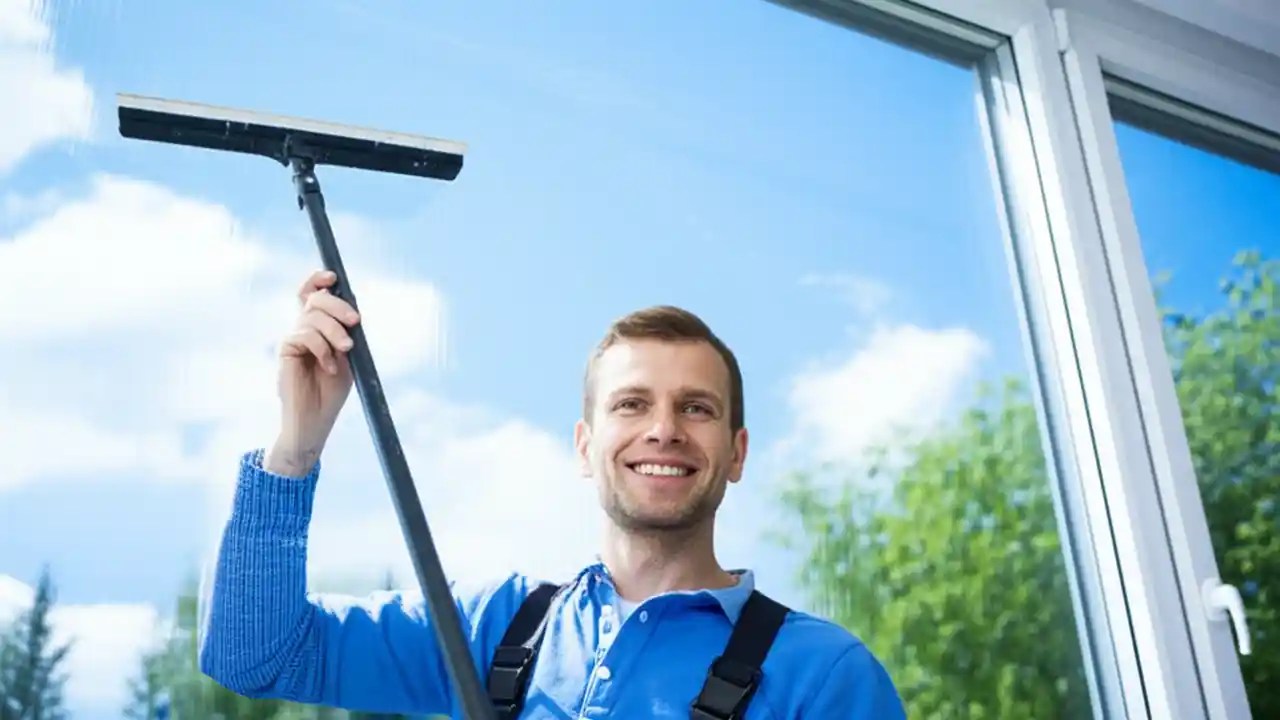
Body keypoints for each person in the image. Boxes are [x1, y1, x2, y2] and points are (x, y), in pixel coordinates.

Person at [198, 269, 905, 719]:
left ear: (737, 453)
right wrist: (298, 445)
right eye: (631, 405)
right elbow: (255, 656)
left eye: (696, 408)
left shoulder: (824, 674)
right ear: (584, 448)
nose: (663, 430)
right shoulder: (491, 626)